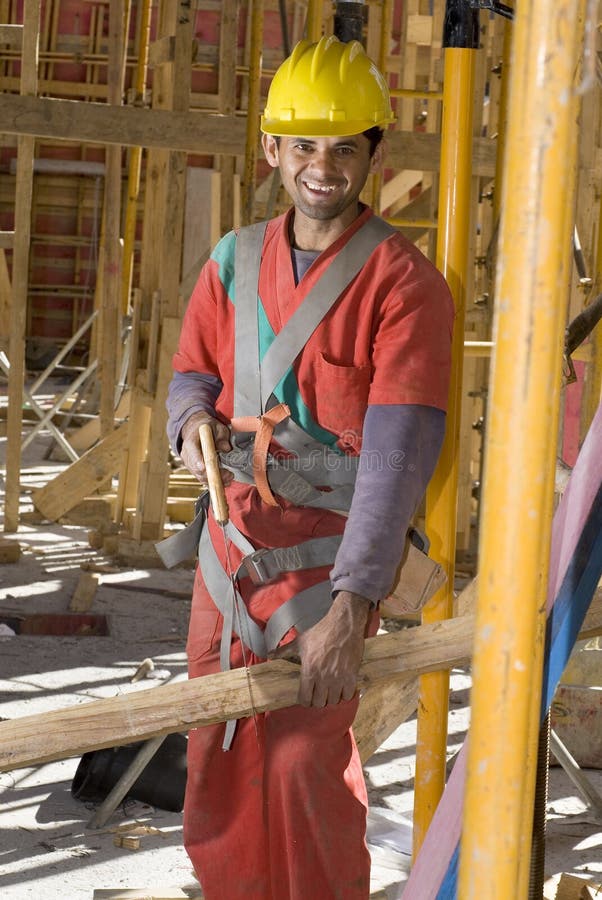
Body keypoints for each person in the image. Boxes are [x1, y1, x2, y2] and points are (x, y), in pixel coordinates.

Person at [165, 34, 453, 900]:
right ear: (272, 151)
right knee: (214, 764)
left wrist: (355, 608)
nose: (321, 166)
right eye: (303, 146)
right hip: (229, 552)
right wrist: (189, 425)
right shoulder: (232, 260)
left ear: (374, 154)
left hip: (330, 566)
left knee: (300, 764)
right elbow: (194, 374)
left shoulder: (403, 284)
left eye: (342, 147)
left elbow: (398, 460)